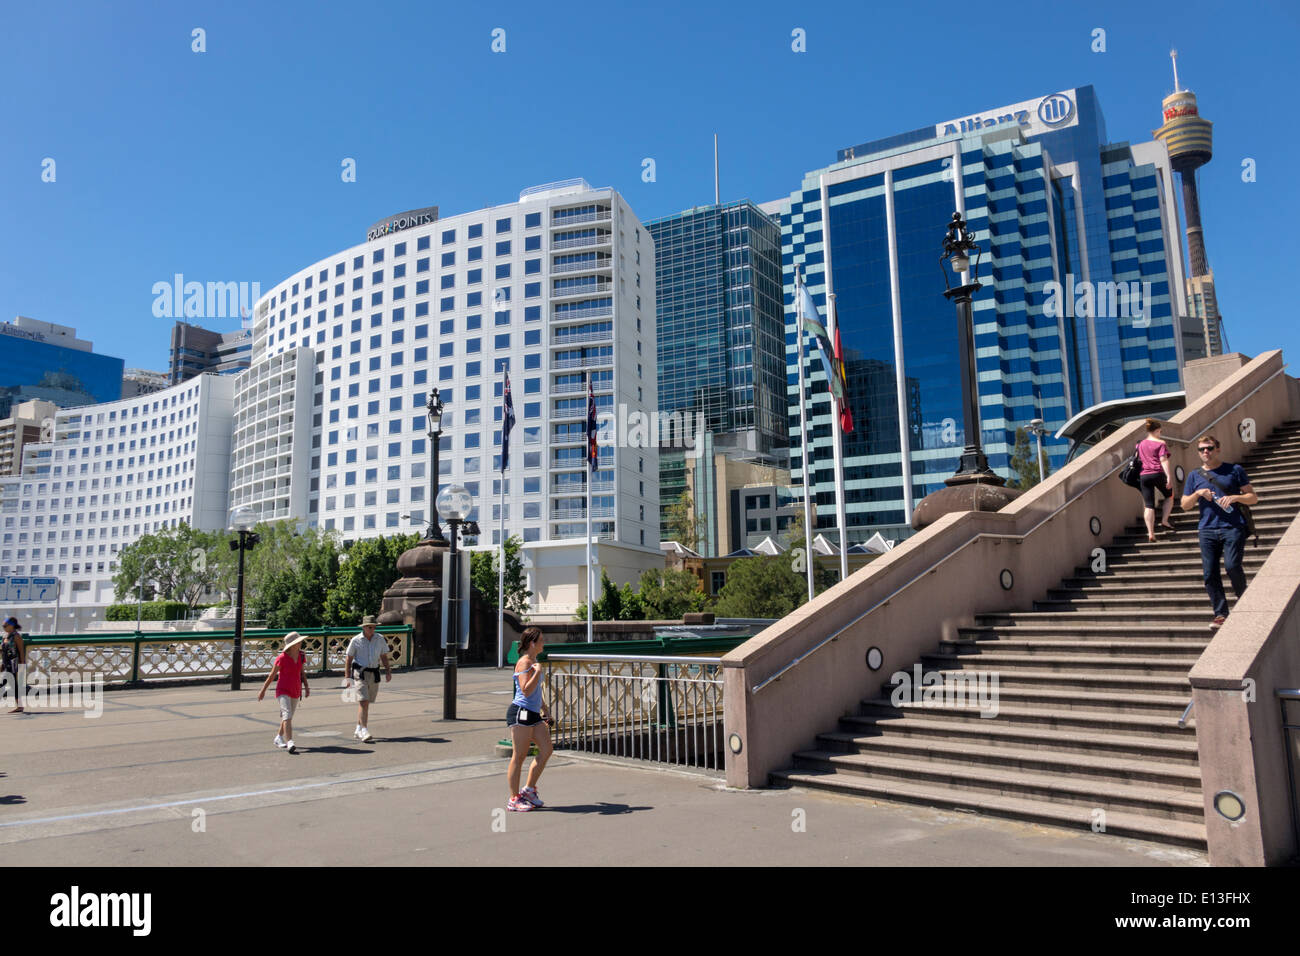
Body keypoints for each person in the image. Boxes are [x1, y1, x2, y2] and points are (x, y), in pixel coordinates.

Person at [1181, 434, 1258, 630]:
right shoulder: (1194, 475)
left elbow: (1252, 497)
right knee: (1210, 573)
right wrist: (1197, 493)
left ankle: (1244, 600)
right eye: (1201, 449)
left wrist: (1235, 498)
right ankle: (1221, 613)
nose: (1205, 452)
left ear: (1218, 449)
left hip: (1232, 527)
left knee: (1232, 566)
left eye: (1209, 448)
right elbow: (1184, 505)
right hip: (1207, 529)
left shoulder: (1234, 470)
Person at [506, 627, 554, 812]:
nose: (543, 643)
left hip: (533, 713)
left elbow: (534, 691)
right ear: (532, 643)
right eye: (541, 640)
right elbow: (525, 689)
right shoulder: (525, 662)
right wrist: (537, 672)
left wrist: (545, 709)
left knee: (547, 750)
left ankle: (529, 790)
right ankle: (513, 798)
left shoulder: (533, 661)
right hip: (520, 712)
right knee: (519, 756)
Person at [257, 631, 310, 753]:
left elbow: (302, 673)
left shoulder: (301, 655)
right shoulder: (282, 658)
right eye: (298, 642)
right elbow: (271, 675)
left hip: (296, 689)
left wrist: (306, 687)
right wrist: (262, 690)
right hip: (283, 690)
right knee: (287, 714)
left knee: (288, 716)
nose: (301, 643)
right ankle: (290, 741)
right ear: (292, 645)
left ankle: (278, 737)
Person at [344, 615, 390, 743]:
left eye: (374, 627)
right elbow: (349, 658)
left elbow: (384, 656)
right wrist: (347, 677)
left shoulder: (379, 639)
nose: (372, 629)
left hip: (374, 673)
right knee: (363, 701)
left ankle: (358, 727)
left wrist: (388, 671)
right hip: (360, 673)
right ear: (364, 627)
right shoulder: (356, 640)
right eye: (370, 627)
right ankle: (364, 730)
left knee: (366, 702)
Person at [1135, 419, 1177, 542]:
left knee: (1149, 505)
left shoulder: (1139, 444)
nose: (1161, 434)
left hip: (1144, 476)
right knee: (1169, 496)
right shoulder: (1160, 443)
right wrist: (1169, 476)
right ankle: (1164, 520)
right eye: (1160, 431)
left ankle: (1150, 533)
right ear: (1157, 430)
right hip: (1157, 473)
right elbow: (1164, 460)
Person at [2, 617, 25, 714]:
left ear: (11, 625)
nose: (3, 627)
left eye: (5, 626)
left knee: (4, 683)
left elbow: (21, 651)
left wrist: (22, 665)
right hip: (6, 663)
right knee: (13, 685)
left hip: (13, 664)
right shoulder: (5, 636)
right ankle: (20, 706)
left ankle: (20, 706)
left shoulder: (16, 636)